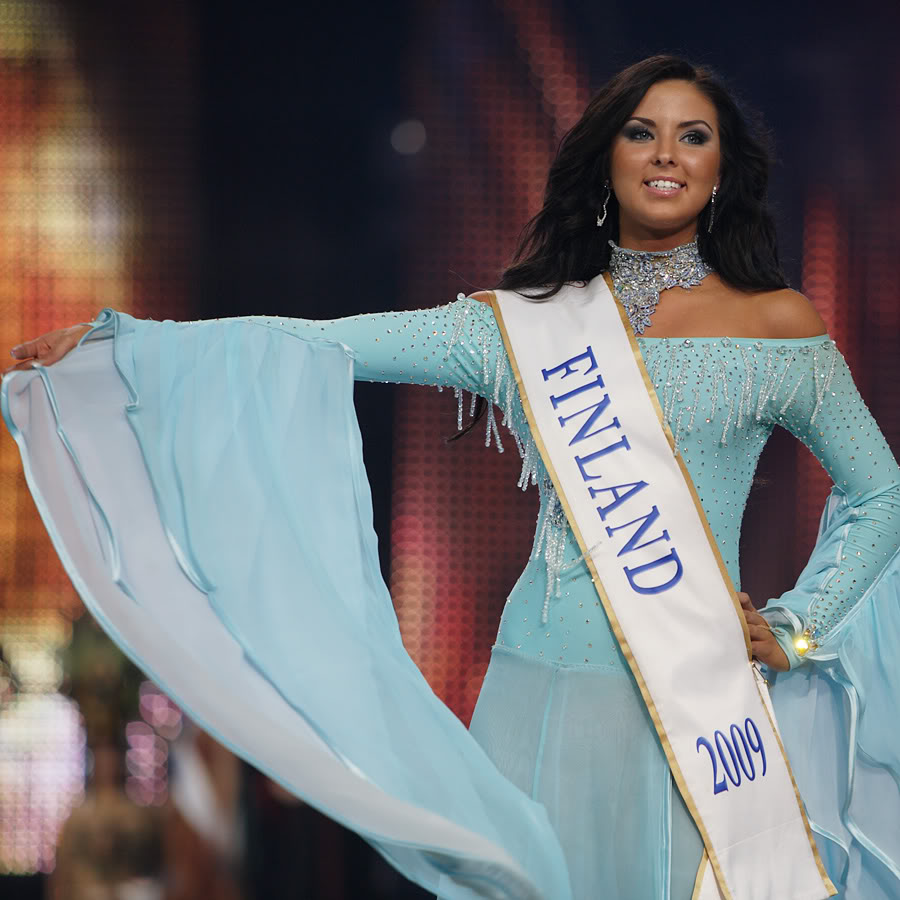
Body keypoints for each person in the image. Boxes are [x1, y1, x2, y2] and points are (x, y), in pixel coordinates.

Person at [5, 55, 900, 899]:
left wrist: (796, 631)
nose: (666, 153)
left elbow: (881, 494)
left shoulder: (775, 322)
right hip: (534, 685)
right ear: (607, 158)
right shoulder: (523, 327)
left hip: (694, 693)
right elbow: (320, 341)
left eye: (693, 135)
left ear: (721, 168)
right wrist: (130, 345)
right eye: (641, 131)